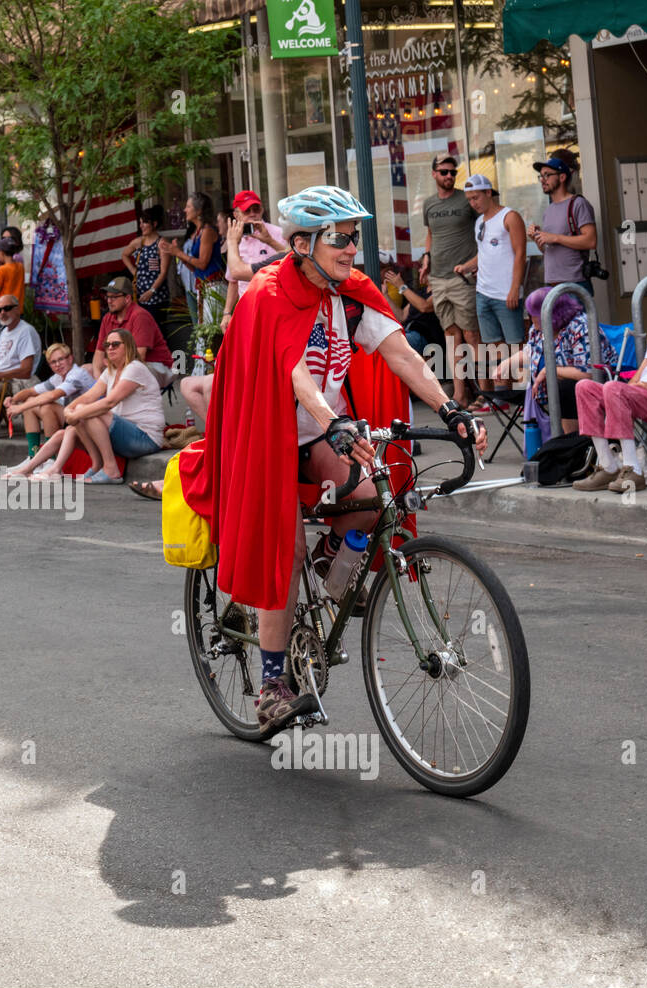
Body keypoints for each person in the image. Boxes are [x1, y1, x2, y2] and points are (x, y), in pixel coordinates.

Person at [180, 185, 485, 732]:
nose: (351, 249)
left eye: (354, 237)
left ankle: (333, 564)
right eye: (339, 238)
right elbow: (294, 373)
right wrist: (334, 422)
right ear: (301, 244)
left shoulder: (349, 293)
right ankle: (272, 685)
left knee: (370, 501)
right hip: (270, 434)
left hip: (322, 432)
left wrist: (450, 410)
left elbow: (402, 354)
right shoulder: (270, 294)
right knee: (284, 548)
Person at [574, 270, 647, 493]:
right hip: (643, 395)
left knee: (613, 387)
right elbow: (644, 368)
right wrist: (625, 390)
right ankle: (608, 465)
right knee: (585, 387)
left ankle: (634, 470)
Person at [34, 328, 165, 483]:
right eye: (107, 344)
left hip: (145, 438)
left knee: (86, 412)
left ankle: (111, 469)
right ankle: (35, 469)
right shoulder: (111, 370)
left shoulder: (134, 367)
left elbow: (109, 402)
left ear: (128, 346)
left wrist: (75, 414)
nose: (109, 348)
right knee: (69, 429)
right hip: (124, 434)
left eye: (115, 344)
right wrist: (70, 409)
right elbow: (89, 396)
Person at [454, 174, 526, 399]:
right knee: (493, 345)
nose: (473, 203)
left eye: (476, 197)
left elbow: (520, 253)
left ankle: (525, 394)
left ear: (488, 193)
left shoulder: (509, 216)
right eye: (469, 199)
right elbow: (484, 254)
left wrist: (515, 288)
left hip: (505, 292)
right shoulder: (479, 222)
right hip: (483, 291)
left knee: (515, 344)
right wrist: (466, 266)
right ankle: (502, 393)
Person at [419, 154, 481, 408]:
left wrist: (478, 263)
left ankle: (484, 392)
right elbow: (431, 234)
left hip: (462, 276)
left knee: (471, 335)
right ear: (434, 174)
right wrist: (426, 258)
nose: (449, 176)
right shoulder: (429, 204)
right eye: (443, 172)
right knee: (452, 336)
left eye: (452, 173)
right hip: (439, 277)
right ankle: (460, 395)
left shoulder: (466, 201)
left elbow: (484, 229)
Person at [520, 285, 612, 436]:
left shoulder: (580, 326)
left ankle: (573, 441)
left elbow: (590, 372)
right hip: (551, 387)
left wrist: (550, 371)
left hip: (599, 382)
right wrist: (505, 364)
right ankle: (561, 442)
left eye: (534, 314)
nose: (530, 319)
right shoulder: (537, 329)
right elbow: (530, 351)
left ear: (551, 313)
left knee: (565, 389)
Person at [5, 343, 96, 473]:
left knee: (47, 406)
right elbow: (31, 391)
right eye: (53, 362)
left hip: (90, 422)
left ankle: (50, 459)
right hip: (74, 420)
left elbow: (53, 395)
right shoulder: (58, 377)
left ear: (70, 358)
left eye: (61, 359)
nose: (58, 364)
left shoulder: (77, 374)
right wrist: (13, 400)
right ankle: (33, 455)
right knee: (30, 403)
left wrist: (19, 408)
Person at [530, 148, 598, 291]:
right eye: (541, 176)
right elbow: (550, 250)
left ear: (562, 177)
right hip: (553, 284)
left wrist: (555, 237)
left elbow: (591, 241)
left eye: (547, 175)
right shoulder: (549, 210)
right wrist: (538, 238)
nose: (543, 180)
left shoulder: (578, 204)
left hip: (575, 284)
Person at [89, 276, 174, 387]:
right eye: (108, 297)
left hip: (157, 367)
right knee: (86, 371)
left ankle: (110, 401)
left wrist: (109, 371)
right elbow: (99, 353)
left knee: (129, 373)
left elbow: (139, 357)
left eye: (114, 297)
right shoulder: (107, 318)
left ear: (127, 298)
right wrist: (97, 379)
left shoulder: (140, 316)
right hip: (124, 365)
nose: (109, 301)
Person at [222, 189, 287, 331]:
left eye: (256, 209)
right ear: (236, 215)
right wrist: (227, 313)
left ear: (262, 210)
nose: (252, 213)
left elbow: (292, 258)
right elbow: (233, 280)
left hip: (275, 308)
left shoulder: (277, 233)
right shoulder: (234, 239)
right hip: (247, 309)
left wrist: (270, 241)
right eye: (246, 210)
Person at [160, 192, 224, 323]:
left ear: (199, 210)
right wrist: (177, 254)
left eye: (188, 207)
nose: (185, 210)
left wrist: (179, 253)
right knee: (202, 331)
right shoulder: (197, 233)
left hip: (214, 286)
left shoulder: (207, 231)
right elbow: (195, 269)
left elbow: (202, 264)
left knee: (210, 332)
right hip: (203, 286)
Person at [122, 205, 172, 329]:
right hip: (139, 296)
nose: (141, 226)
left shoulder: (161, 243)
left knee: (158, 330)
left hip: (157, 297)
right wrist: (134, 271)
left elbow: (163, 272)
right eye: (140, 223)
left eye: (145, 222)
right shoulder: (139, 242)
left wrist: (152, 291)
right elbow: (124, 255)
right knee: (143, 329)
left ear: (154, 224)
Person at [0, 290, 41, 396]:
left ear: (17, 309)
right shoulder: (4, 332)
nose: (2, 312)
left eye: (7, 308)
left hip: (11, 381)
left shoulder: (25, 331)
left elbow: (26, 371)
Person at [0, 237, 25, 311]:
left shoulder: (2, 269)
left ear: (2, 253)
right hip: (18, 308)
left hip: (6, 309)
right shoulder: (20, 266)